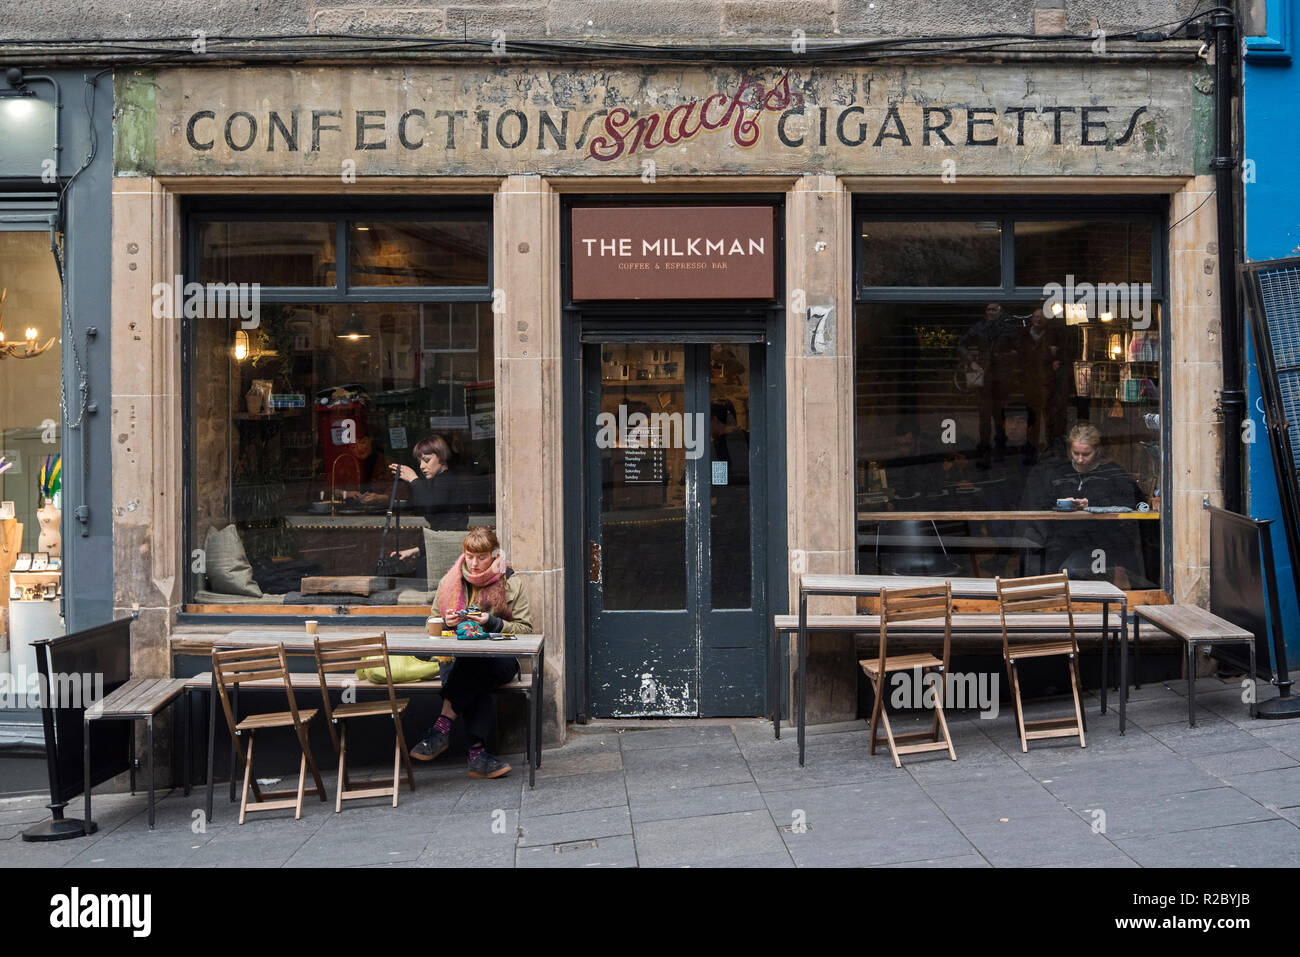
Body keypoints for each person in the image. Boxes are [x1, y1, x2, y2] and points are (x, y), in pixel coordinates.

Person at [410, 526, 533, 778]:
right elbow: (431, 626)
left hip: (500, 659)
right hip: (456, 659)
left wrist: (491, 622)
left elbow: (525, 630)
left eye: (481, 557)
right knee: (473, 669)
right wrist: (447, 624)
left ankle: (441, 727)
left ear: (494, 556)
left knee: (478, 660)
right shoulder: (450, 581)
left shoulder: (510, 582)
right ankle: (478, 756)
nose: (474, 564)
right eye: (469, 556)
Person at [1021, 423, 1146, 583]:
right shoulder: (1058, 473)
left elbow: (1131, 502)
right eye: (1076, 453)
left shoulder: (1112, 473)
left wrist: (1092, 504)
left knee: (1072, 571)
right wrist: (1061, 505)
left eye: (1086, 454)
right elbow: (1041, 504)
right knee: (1047, 576)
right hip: (1062, 540)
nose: (1080, 459)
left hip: (1101, 542)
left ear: (1097, 450)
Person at [388, 434, 468, 565]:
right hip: (445, 549)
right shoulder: (438, 481)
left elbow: (432, 507)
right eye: (420, 461)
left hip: (450, 555)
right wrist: (416, 550)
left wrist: (413, 480)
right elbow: (442, 531)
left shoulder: (447, 480)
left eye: (427, 460)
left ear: (441, 457)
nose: (422, 466)